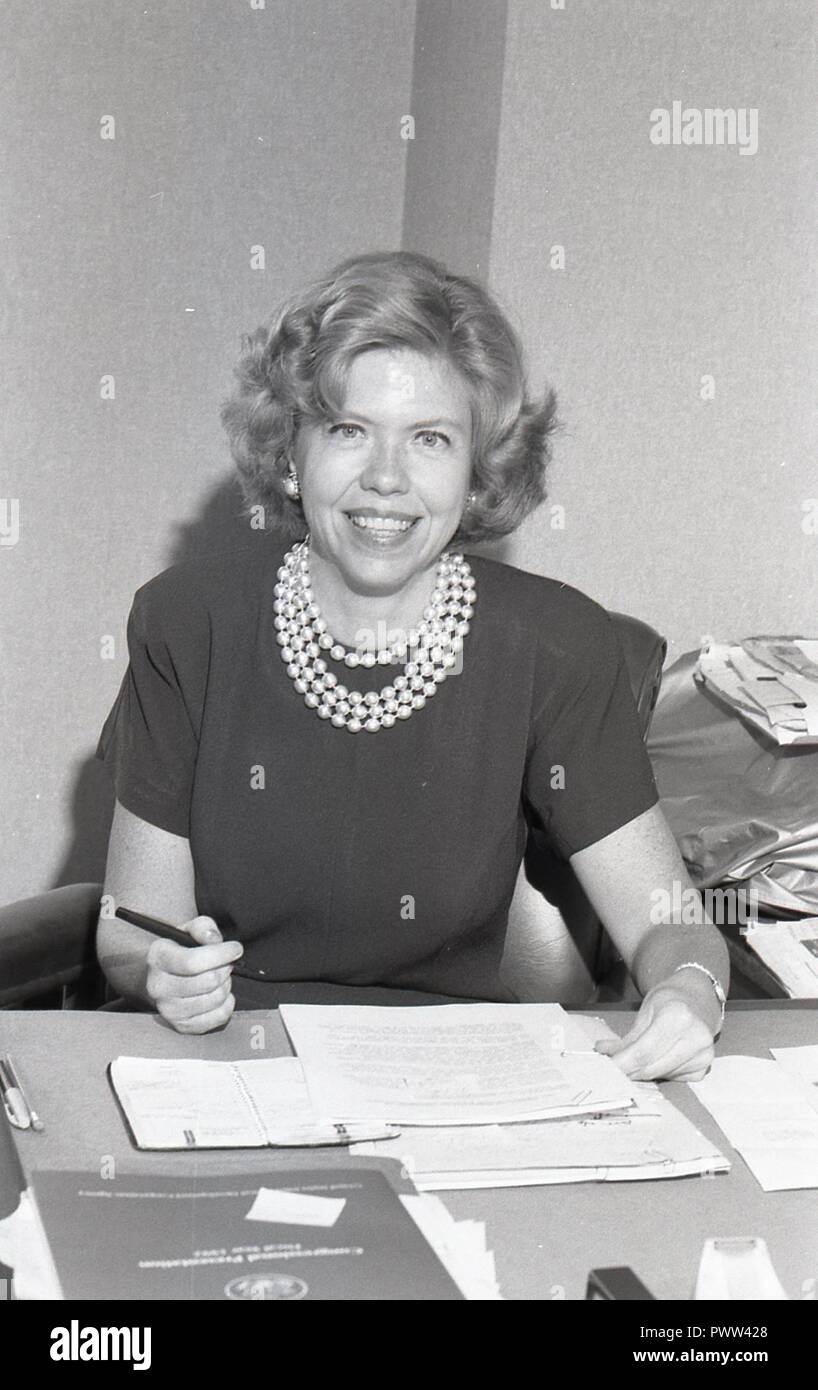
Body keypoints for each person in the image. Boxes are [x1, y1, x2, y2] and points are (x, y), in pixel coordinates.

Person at [96, 250, 728, 1080]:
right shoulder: (190, 623)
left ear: (476, 474)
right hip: (226, 1064)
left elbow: (668, 921)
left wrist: (690, 992)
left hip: (454, 1081)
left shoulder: (555, 647)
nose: (386, 479)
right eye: (348, 431)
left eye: (430, 439)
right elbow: (129, 928)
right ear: (291, 454)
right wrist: (160, 972)